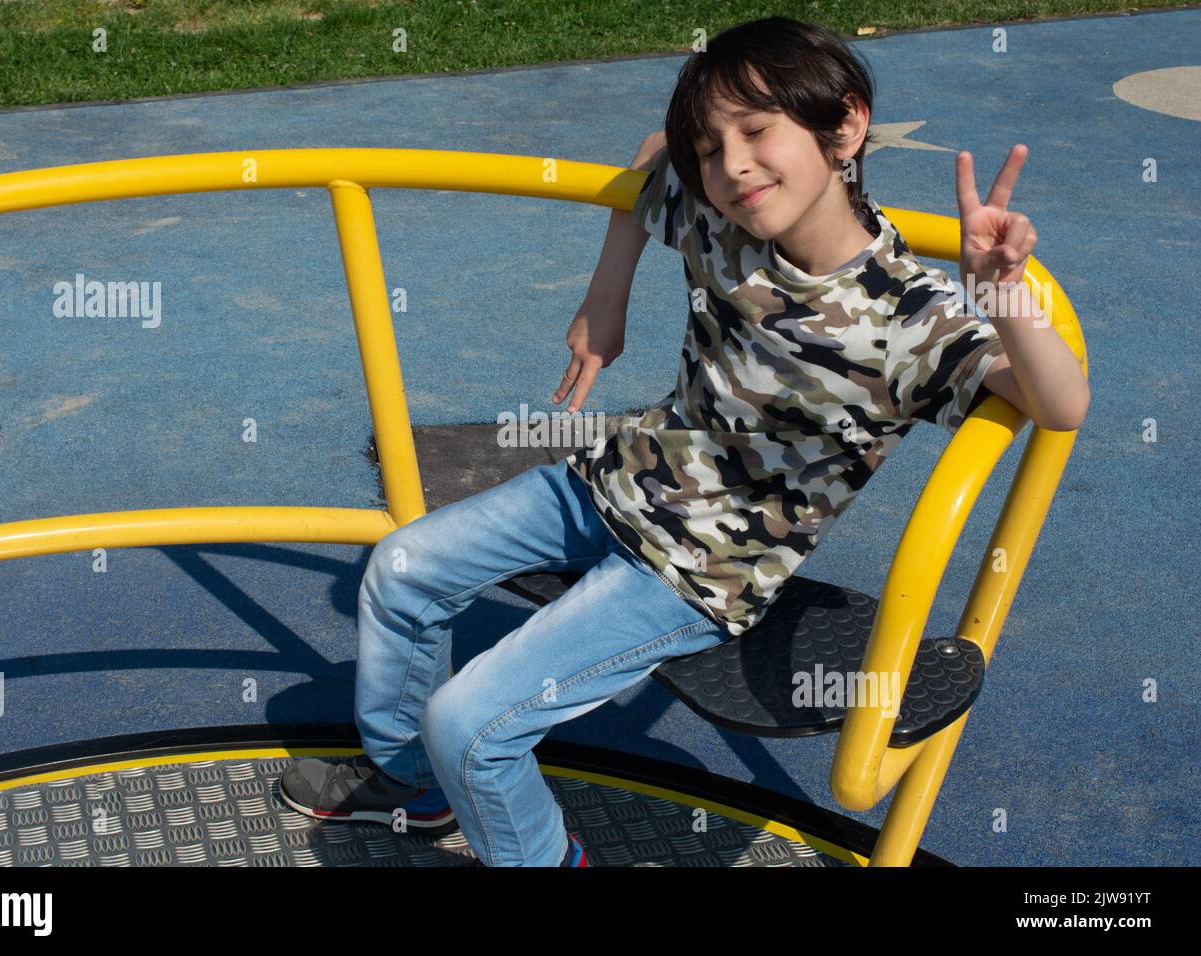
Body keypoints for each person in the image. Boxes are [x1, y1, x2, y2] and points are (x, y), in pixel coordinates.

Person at [280, 16, 1088, 868]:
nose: (732, 163)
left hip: (695, 568)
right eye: (712, 145)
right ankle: (418, 783)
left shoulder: (908, 317)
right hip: (609, 483)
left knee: (472, 725)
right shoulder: (725, 219)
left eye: (758, 130)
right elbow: (649, 156)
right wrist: (607, 299)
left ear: (846, 126)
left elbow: (1060, 402)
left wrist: (1003, 292)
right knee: (403, 570)